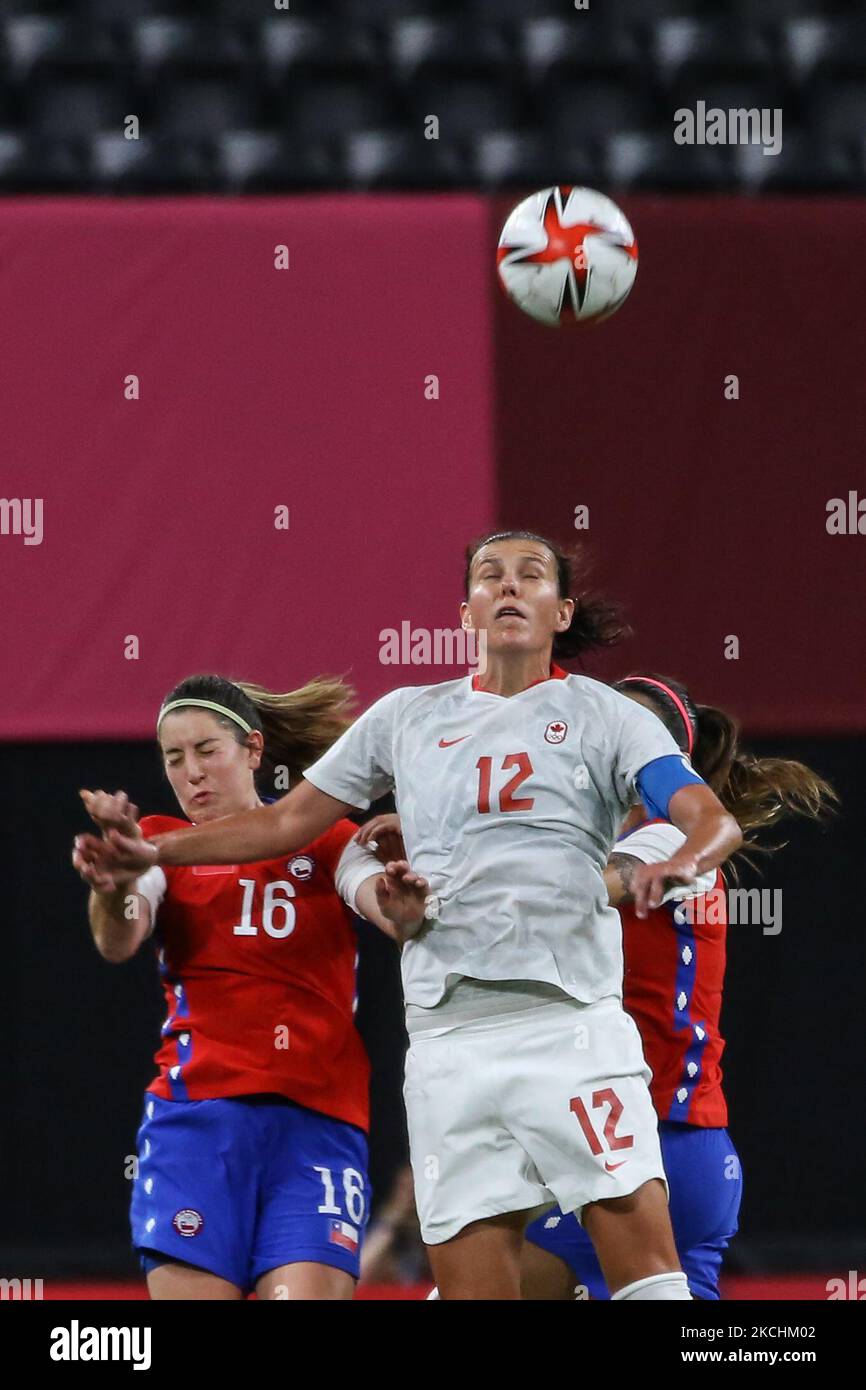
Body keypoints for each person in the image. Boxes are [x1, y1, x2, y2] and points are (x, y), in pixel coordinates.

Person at [75, 531, 743, 1300]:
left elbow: (712, 820)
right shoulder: (408, 717)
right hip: (447, 1046)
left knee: (650, 1283)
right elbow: (284, 821)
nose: (509, 586)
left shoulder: (603, 714)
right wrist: (150, 855)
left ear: (561, 612)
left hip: (570, 1027)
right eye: (490, 576)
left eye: (531, 576)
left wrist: (678, 863)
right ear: (466, 611)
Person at [73, 672, 425, 1301]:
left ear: (255, 751)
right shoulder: (159, 847)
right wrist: (115, 885)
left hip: (317, 1127)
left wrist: (403, 902)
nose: (192, 774)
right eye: (174, 758)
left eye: (208, 751)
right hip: (196, 1123)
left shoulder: (329, 840)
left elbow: (395, 915)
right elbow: (117, 941)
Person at [519, 672, 838, 1299]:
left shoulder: (671, 839)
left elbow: (590, 888)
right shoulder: (622, 838)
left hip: (656, 1140)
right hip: (672, 1148)